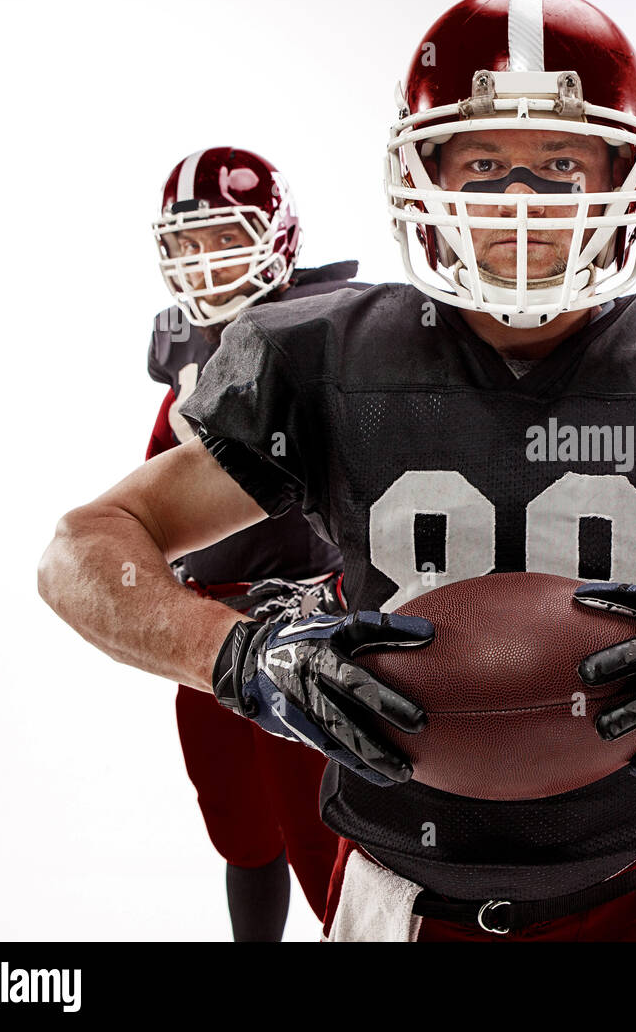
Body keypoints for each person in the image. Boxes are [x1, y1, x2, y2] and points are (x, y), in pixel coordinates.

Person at [39, 0, 636, 943]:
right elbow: (83, 548)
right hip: (394, 892)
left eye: (561, 161)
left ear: (625, 172)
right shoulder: (323, 357)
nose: (524, 201)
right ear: (425, 173)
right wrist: (240, 657)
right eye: (487, 162)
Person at [145, 146, 366, 940]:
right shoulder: (191, 346)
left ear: (279, 236)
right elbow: (155, 482)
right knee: (240, 830)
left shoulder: (319, 333)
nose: (204, 262)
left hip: (307, 628)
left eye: (223, 237)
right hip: (206, 631)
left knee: (329, 845)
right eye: (188, 243)